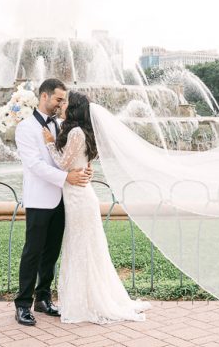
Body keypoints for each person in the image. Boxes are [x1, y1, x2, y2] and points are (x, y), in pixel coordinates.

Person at [43, 90, 150, 324]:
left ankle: (88, 302)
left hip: (78, 198)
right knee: (83, 246)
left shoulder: (77, 133)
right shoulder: (80, 131)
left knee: (82, 247)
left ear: (75, 107)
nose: (62, 104)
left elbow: (63, 164)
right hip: (79, 194)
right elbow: (83, 163)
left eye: (66, 102)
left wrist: (50, 144)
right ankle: (86, 298)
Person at [13, 78, 93, 327]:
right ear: (44, 96)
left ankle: (43, 299)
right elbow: (35, 165)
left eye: (64, 100)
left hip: (64, 200)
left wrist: (84, 169)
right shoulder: (25, 128)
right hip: (40, 199)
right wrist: (66, 177)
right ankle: (23, 304)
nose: (61, 104)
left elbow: (71, 156)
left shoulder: (62, 125)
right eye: (58, 99)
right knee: (33, 252)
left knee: (51, 252)